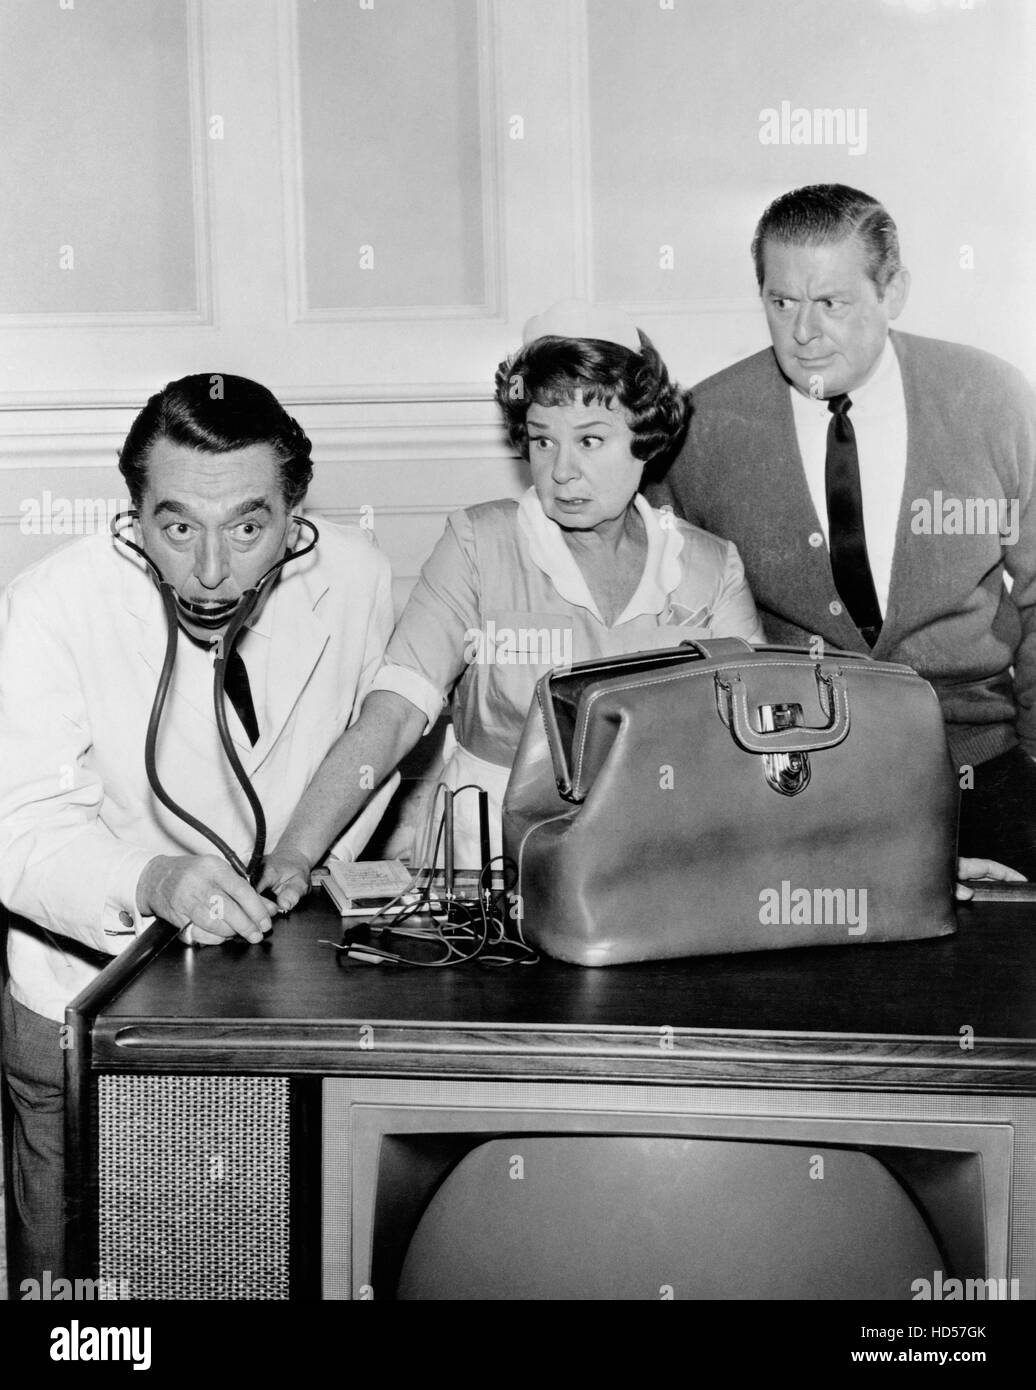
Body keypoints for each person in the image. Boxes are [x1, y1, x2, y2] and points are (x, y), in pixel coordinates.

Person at [0, 373, 396, 1286]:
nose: (211, 570)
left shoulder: (358, 578)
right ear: (133, 515)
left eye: (250, 527)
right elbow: (20, 828)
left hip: (276, 1008)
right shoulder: (51, 607)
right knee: (84, 1299)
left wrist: (313, 866)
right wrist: (151, 881)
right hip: (87, 1003)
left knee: (248, 1259)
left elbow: (374, 752)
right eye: (176, 527)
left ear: (297, 514)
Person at [261, 300, 765, 892]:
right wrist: (296, 851)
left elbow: (751, 740)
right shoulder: (479, 543)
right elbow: (394, 714)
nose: (562, 471)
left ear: (646, 438)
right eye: (543, 442)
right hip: (487, 865)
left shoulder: (708, 565)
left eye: (591, 440)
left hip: (655, 860)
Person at [647, 184, 1036, 877]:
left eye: (832, 303)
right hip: (794, 786)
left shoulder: (994, 400)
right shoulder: (702, 428)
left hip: (984, 770)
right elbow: (665, 628)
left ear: (893, 292)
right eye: (782, 302)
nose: (803, 333)